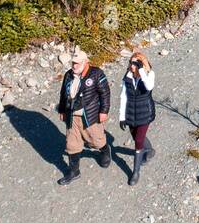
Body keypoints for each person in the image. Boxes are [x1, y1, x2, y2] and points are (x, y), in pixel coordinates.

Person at [56, 46, 112, 186]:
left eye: (77, 63)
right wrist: (62, 110)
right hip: (72, 116)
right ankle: (74, 172)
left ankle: (105, 151)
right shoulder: (68, 75)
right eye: (73, 63)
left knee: (96, 139)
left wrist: (104, 111)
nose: (74, 66)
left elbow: (105, 93)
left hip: (90, 115)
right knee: (71, 144)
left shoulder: (96, 73)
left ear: (85, 62)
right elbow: (63, 94)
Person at [118, 51, 157, 186]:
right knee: (136, 137)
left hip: (145, 111)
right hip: (130, 112)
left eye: (135, 63)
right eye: (131, 63)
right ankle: (150, 150)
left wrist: (141, 70)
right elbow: (123, 96)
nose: (132, 66)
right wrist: (122, 117)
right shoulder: (127, 76)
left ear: (141, 63)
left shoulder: (149, 74)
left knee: (138, 140)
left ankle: (135, 172)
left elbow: (149, 86)